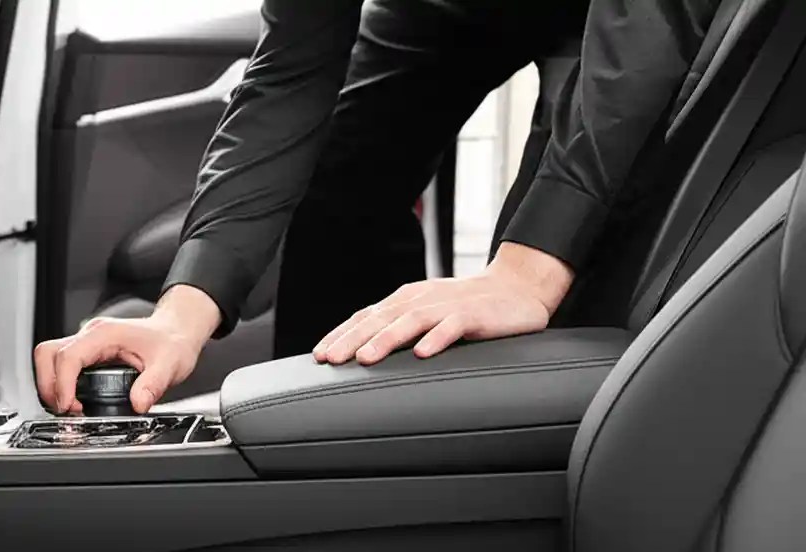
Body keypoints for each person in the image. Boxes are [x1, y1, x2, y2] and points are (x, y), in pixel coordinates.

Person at [36, 0, 724, 415]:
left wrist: (527, 272)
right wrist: (178, 320)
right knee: (338, 173)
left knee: (558, 261)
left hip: (616, 16)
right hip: (441, 10)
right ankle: (337, 449)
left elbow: (643, 31)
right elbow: (289, 72)